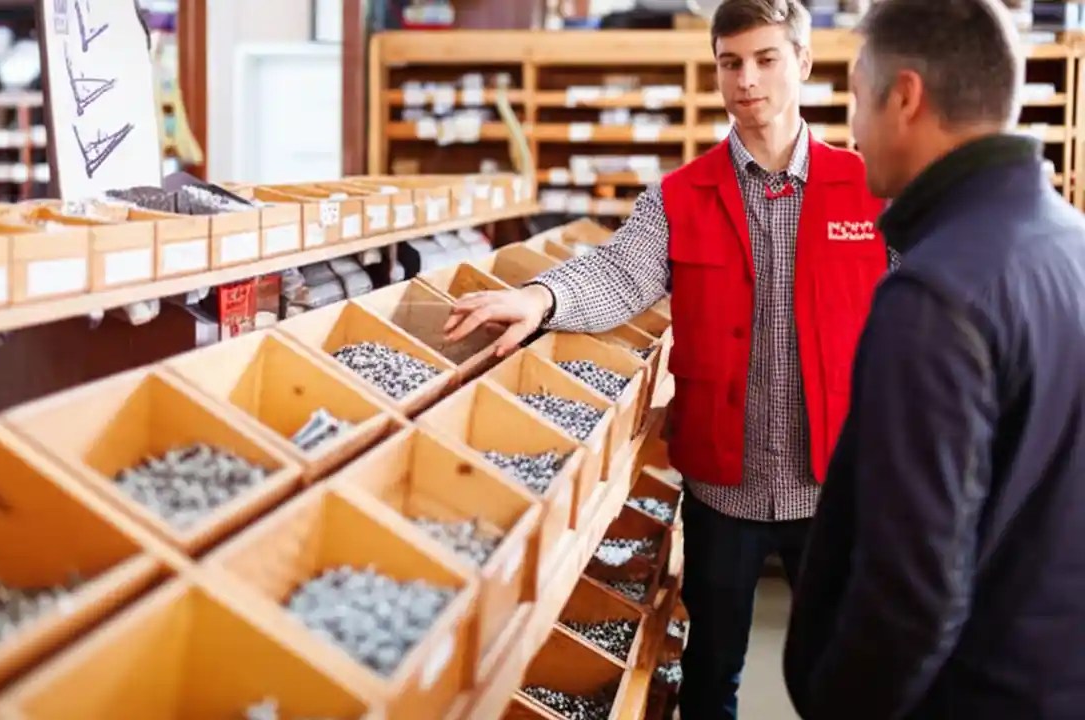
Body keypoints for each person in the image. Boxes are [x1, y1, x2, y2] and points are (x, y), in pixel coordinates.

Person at [443, 1, 894, 717]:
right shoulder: (680, 197)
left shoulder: (870, 191)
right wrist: (540, 298)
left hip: (833, 486)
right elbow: (619, 273)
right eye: (730, 62)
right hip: (723, 487)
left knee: (841, 673)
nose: (746, 80)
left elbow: (930, 299)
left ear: (804, 64)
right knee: (711, 671)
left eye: (766, 59)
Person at [782, 1, 1085, 718]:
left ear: (906, 97)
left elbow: (911, 596)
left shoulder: (934, 295)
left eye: (857, 99)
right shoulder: (1071, 246)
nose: (853, 132)